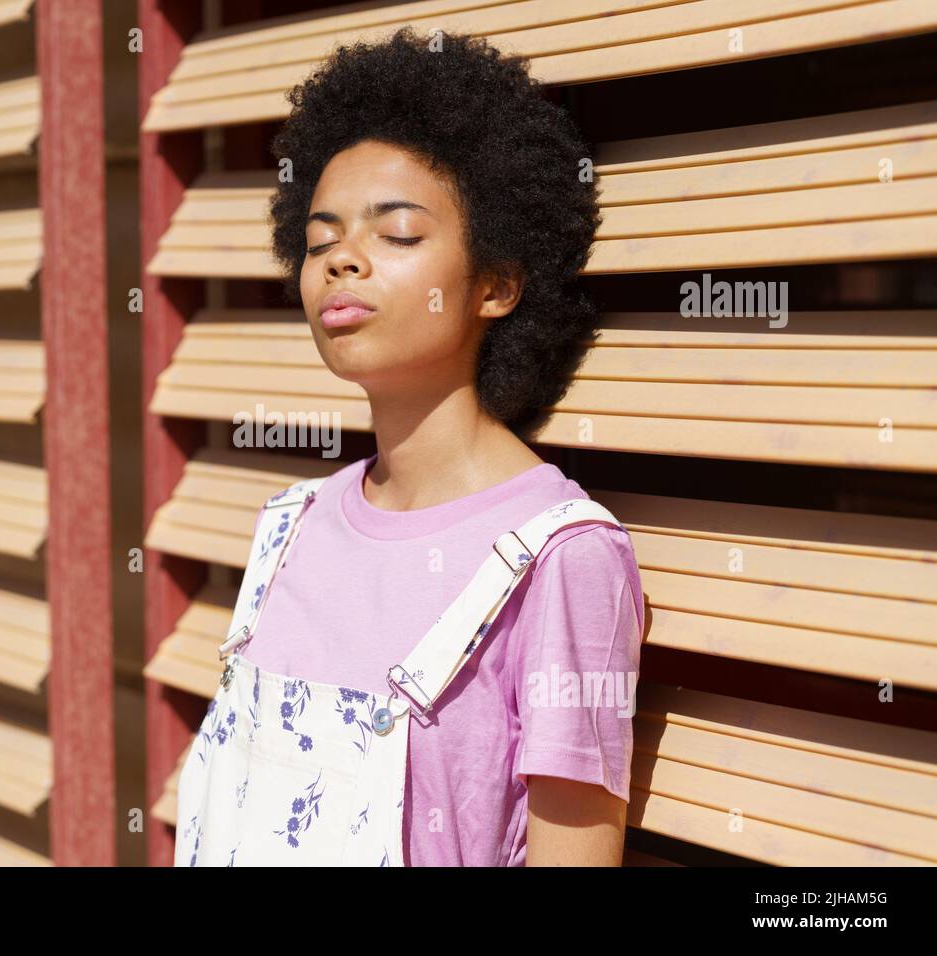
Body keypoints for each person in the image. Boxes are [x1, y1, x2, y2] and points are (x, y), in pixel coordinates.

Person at [185, 26, 644, 867]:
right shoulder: (287, 529)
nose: (341, 263)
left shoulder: (562, 561)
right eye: (320, 242)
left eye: (395, 236)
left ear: (497, 285)